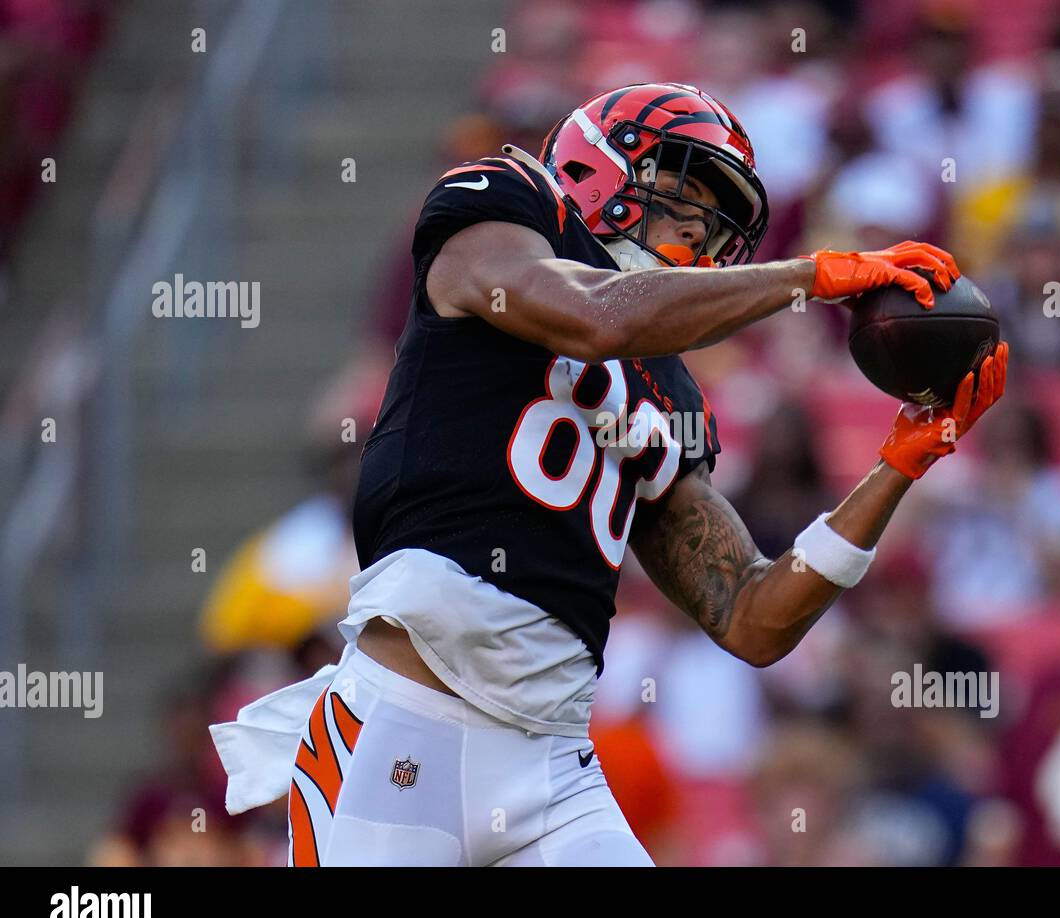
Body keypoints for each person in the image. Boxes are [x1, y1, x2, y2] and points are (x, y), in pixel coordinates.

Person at [209, 82, 1009, 866]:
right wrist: (809, 276)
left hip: (549, 764)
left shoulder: (669, 384)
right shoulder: (502, 199)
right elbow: (593, 317)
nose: (697, 229)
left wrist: (900, 461)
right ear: (599, 164)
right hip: (402, 725)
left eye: (713, 218)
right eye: (681, 192)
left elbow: (753, 617)